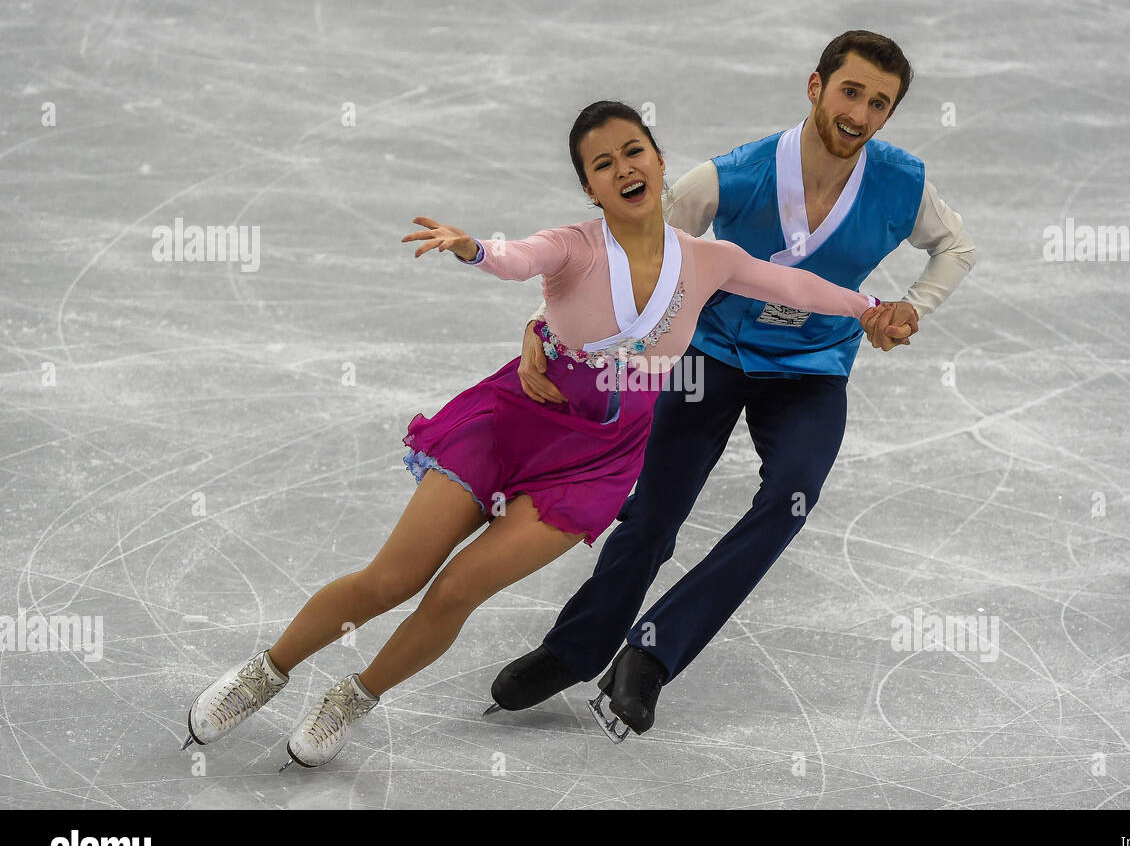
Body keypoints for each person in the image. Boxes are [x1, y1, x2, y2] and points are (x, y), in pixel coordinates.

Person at [180, 99, 904, 769]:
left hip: (601, 458)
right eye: (603, 163)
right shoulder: (575, 245)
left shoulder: (709, 261)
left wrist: (869, 305)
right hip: (514, 422)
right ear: (591, 187)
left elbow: (796, 289)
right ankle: (266, 671)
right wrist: (471, 250)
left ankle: (354, 697)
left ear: (658, 161)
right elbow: (515, 257)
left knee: (457, 589)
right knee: (394, 577)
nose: (623, 168)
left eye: (633, 151)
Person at [490, 30, 977, 740]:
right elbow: (627, 246)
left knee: (789, 499)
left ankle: (651, 655)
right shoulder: (733, 175)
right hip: (709, 356)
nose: (860, 113)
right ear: (816, 87)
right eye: (851, 91)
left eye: (880, 103)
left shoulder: (902, 184)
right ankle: (574, 649)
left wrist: (912, 305)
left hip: (811, 371)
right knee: (654, 513)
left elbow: (956, 246)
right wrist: (545, 322)